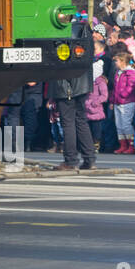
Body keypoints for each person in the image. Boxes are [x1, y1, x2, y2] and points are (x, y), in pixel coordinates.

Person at [51, 22, 97, 170]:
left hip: (66, 85)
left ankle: (71, 160)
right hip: (82, 84)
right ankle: (89, 159)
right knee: (81, 121)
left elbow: (60, 61)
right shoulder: (85, 32)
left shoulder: (61, 33)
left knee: (68, 123)